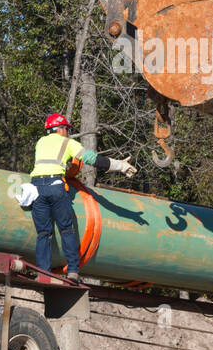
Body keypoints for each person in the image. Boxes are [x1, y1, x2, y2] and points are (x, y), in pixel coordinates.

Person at [29, 114, 136, 282]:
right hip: (55, 186)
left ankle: (43, 273)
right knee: (66, 229)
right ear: (60, 129)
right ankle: (72, 270)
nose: (68, 132)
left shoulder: (40, 142)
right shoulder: (68, 143)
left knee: (43, 233)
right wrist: (120, 165)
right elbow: (92, 159)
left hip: (36, 188)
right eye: (67, 129)